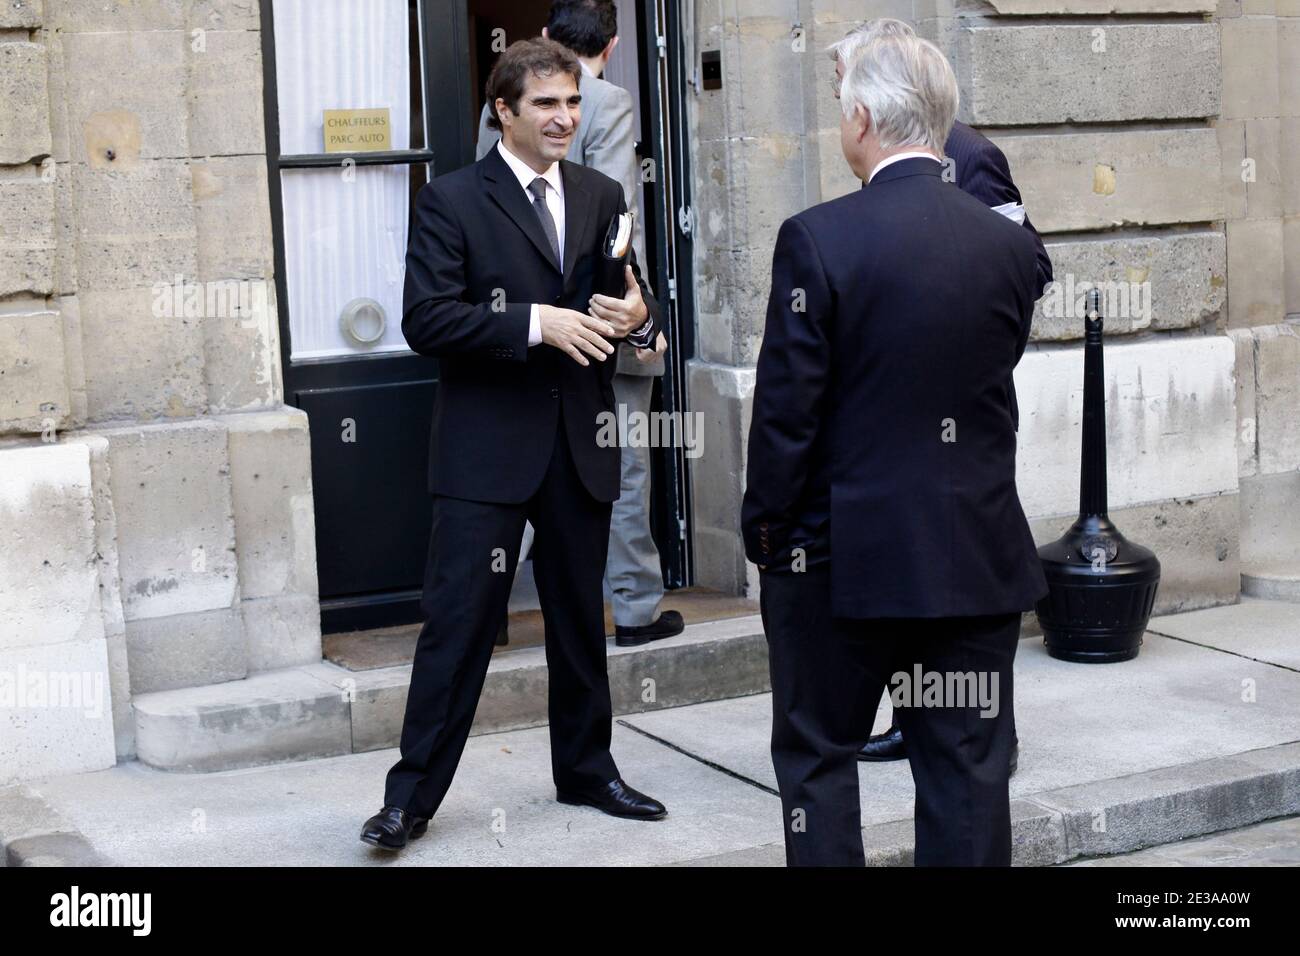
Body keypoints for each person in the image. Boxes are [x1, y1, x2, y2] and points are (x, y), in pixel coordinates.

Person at [742, 32, 1048, 866]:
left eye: (844, 111)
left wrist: (768, 538)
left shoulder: (818, 237)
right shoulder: (1011, 246)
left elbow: (786, 417)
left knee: (817, 762)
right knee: (969, 774)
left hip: (840, 561)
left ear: (864, 119)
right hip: (972, 554)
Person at [361, 38, 667, 852]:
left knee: (578, 624)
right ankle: (411, 799)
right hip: (485, 453)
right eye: (546, 105)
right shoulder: (453, 199)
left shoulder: (604, 196)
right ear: (504, 111)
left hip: (580, 442)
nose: (566, 117)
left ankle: (588, 770)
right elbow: (426, 320)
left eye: (573, 102)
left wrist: (640, 323)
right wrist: (534, 323)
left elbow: (629, 305)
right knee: (457, 629)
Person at [830, 18, 1051, 768]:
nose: (842, 99)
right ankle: (914, 713)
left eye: (848, 78)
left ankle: (994, 734)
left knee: (965, 576)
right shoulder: (881, 162)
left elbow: (1026, 264)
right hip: (894, 421)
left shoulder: (971, 154)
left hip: (957, 410)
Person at [477, 0, 684, 649]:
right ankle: (634, 609)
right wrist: (640, 318)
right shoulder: (609, 100)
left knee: (518, 468)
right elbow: (618, 225)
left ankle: (490, 612)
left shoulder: (504, 101)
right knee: (614, 467)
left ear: (545, 38)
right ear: (615, 43)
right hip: (593, 319)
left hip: (515, 325)